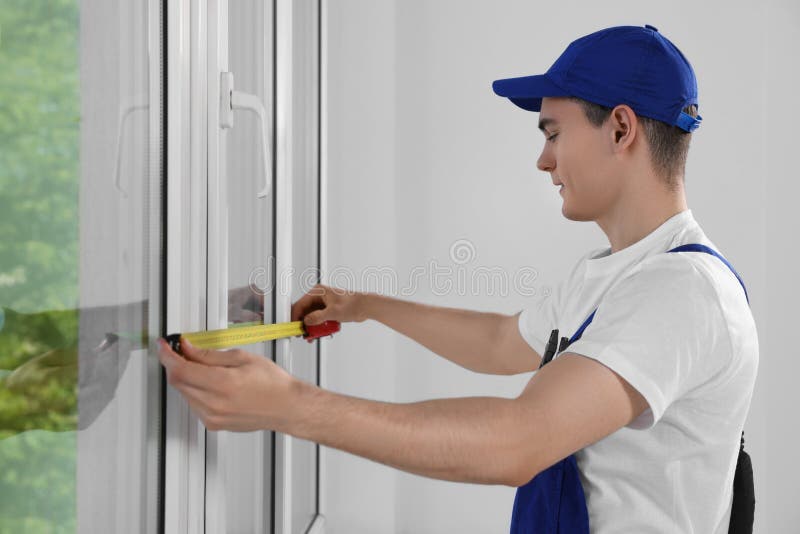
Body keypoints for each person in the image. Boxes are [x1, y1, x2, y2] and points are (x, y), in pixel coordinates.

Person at [157, 24, 758, 532]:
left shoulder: (683, 294)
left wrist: (291, 408)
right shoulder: (610, 274)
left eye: (553, 132)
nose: (543, 159)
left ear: (621, 129)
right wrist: (362, 305)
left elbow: (518, 442)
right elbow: (503, 342)